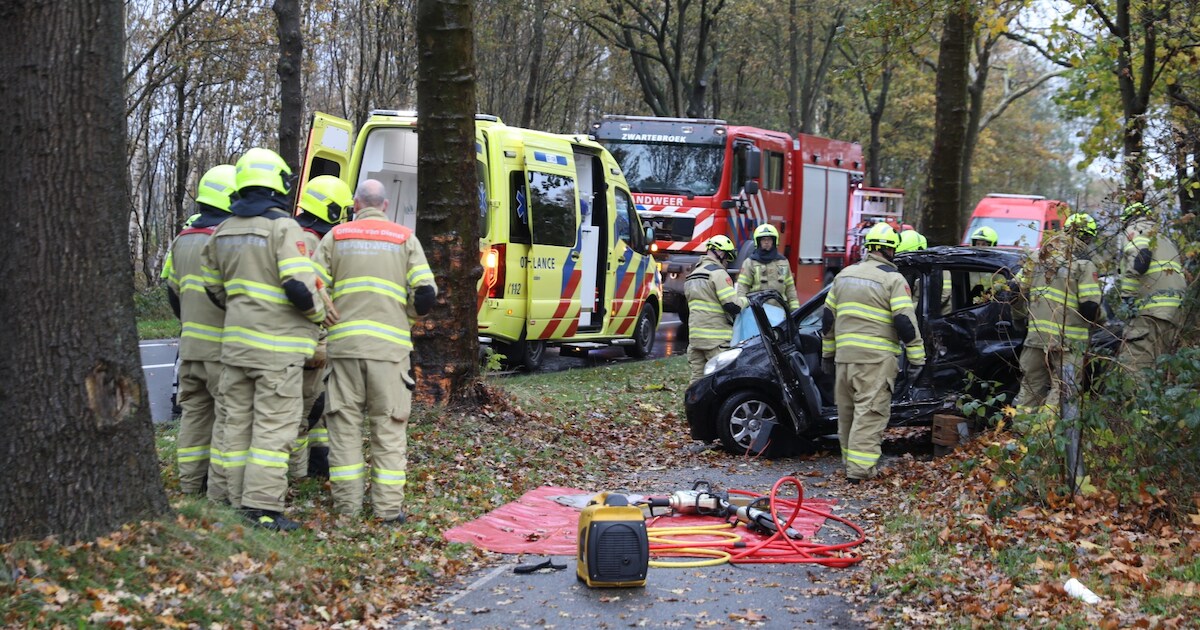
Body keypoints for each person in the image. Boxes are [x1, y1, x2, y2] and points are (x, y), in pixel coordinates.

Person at [201, 147, 327, 531]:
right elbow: (299, 286)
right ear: (276, 184)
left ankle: (226, 499)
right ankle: (261, 508)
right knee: (274, 429)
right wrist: (319, 314)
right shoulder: (282, 228)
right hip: (277, 351)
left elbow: (213, 289)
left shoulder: (223, 230)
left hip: (235, 347)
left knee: (234, 426)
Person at [315, 179, 437, 526]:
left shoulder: (336, 237)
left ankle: (347, 507)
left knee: (344, 430)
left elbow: (310, 281)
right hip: (390, 354)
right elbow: (426, 294)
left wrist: (324, 310)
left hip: (345, 350)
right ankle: (387, 510)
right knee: (389, 431)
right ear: (384, 205)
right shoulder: (404, 238)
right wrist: (406, 316)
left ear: (356, 205)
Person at [820, 223, 924, 484]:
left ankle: (850, 464)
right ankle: (860, 472)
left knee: (847, 415)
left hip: (845, 359)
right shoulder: (893, 279)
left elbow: (827, 319)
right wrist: (916, 358)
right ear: (890, 250)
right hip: (875, 361)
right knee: (869, 415)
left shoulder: (845, 275)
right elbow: (904, 321)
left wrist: (827, 355)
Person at [163, 164, 236, 497]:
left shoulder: (182, 239)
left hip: (190, 347)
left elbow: (172, 291)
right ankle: (219, 493)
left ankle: (190, 485)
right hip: (222, 349)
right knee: (227, 418)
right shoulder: (225, 240)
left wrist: (189, 324)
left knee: (194, 417)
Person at [288, 176, 354, 481]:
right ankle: (298, 473)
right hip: (311, 337)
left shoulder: (294, 234)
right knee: (305, 409)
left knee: (317, 405)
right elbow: (317, 292)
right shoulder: (312, 241)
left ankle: (318, 462)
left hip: (301, 336)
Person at [1012, 213, 1102, 416]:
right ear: (1088, 238)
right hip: (1067, 343)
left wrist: (1019, 319)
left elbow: (1013, 292)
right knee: (1063, 391)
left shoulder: (1038, 257)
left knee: (1030, 389)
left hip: (1036, 339)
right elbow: (1089, 308)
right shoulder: (1083, 264)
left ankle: (1023, 431)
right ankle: (1046, 432)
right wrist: (1101, 320)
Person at [1118, 202, 1185, 372]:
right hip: (1174, 313)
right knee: (1158, 369)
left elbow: (1141, 259)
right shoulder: (1165, 239)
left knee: (1134, 367)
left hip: (1149, 311)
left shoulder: (1136, 229)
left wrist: (1127, 299)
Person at [683, 235, 748, 384]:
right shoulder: (718, 273)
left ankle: (694, 401)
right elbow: (733, 306)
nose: (727, 262)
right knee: (722, 381)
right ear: (720, 252)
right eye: (727, 257)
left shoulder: (692, 275)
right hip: (716, 341)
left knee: (697, 381)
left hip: (695, 339)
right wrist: (746, 301)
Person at [736, 224, 800, 311]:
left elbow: (790, 288)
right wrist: (742, 308)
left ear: (774, 241)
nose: (766, 242)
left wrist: (795, 309)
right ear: (758, 241)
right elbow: (742, 288)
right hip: (757, 312)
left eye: (769, 239)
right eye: (763, 239)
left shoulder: (783, 262)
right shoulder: (750, 262)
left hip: (779, 311)